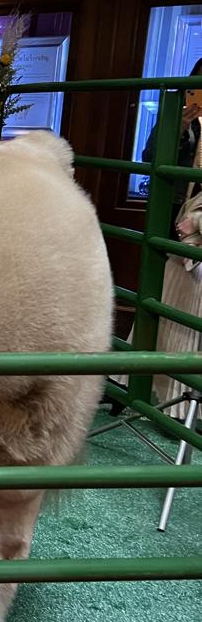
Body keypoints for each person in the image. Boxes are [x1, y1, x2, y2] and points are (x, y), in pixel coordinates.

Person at [139, 56, 202, 419]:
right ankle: (151, 380)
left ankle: (181, 388)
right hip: (170, 212)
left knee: (189, 298)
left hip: (196, 218)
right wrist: (176, 127)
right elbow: (149, 155)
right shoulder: (174, 111)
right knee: (163, 292)